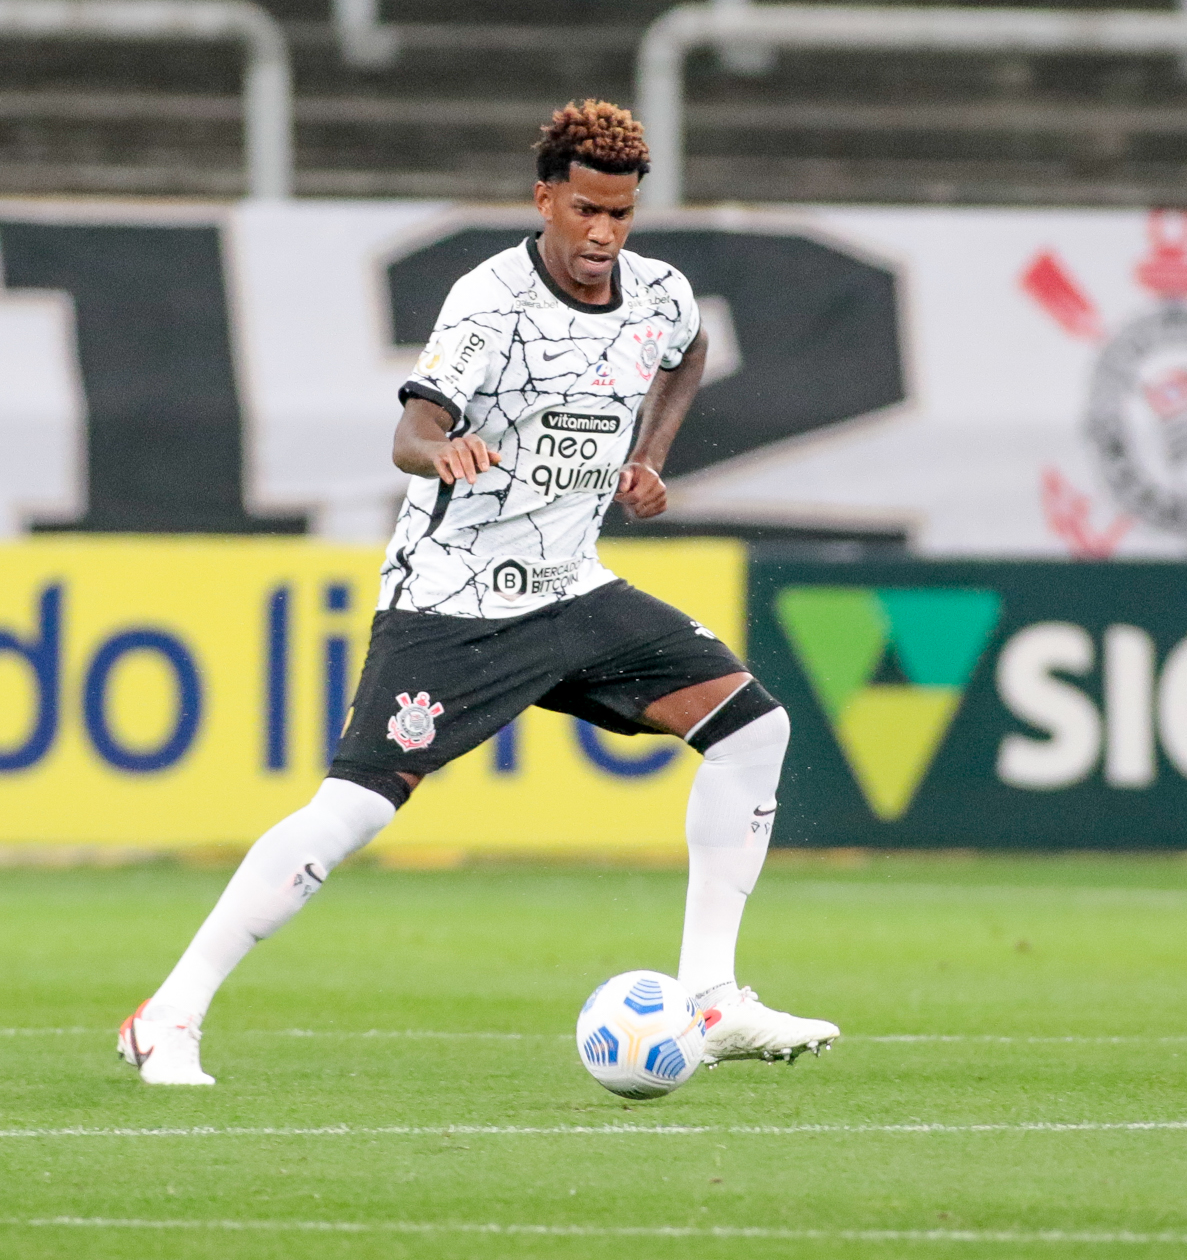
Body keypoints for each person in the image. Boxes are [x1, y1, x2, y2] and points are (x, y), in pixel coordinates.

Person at [120, 100, 837, 1084]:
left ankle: (709, 996)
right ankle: (169, 1013)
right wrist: (442, 448)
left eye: (620, 215)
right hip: (453, 599)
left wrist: (651, 455)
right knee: (357, 807)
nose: (601, 233)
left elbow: (688, 350)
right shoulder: (490, 301)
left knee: (754, 729)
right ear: (544, 197)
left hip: (573, 588)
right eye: (584, 209)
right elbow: (409, 431)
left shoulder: (659, 293)